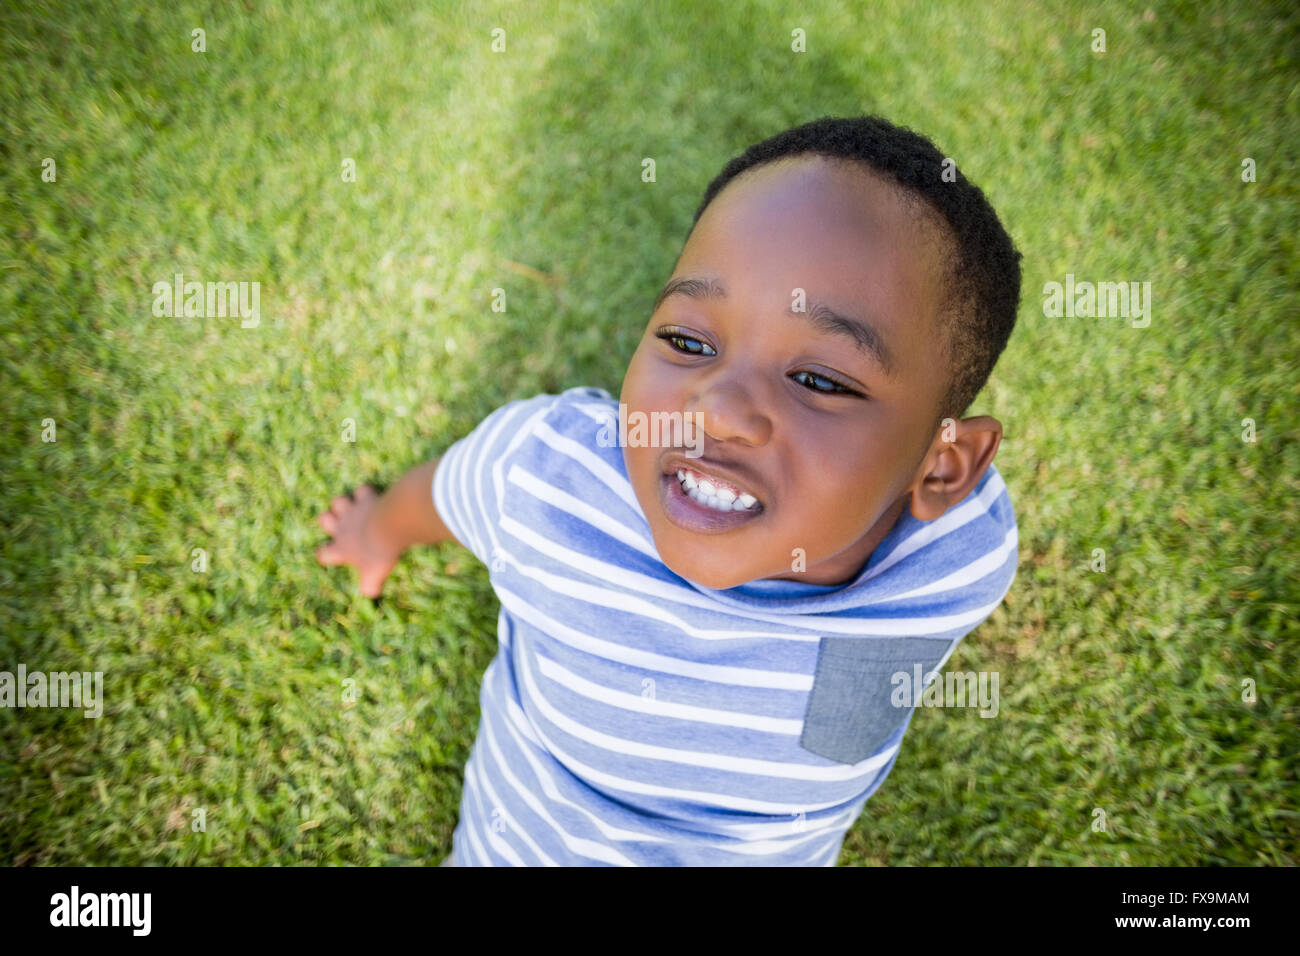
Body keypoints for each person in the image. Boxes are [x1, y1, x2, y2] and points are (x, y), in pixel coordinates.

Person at [316, 115, 1023, 866]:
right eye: (689, 341)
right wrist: (379, 531)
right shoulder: (551, 484)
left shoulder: (954, 566)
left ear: (942, 469)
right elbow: (454, 490)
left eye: (818, 379)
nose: (716, 406)